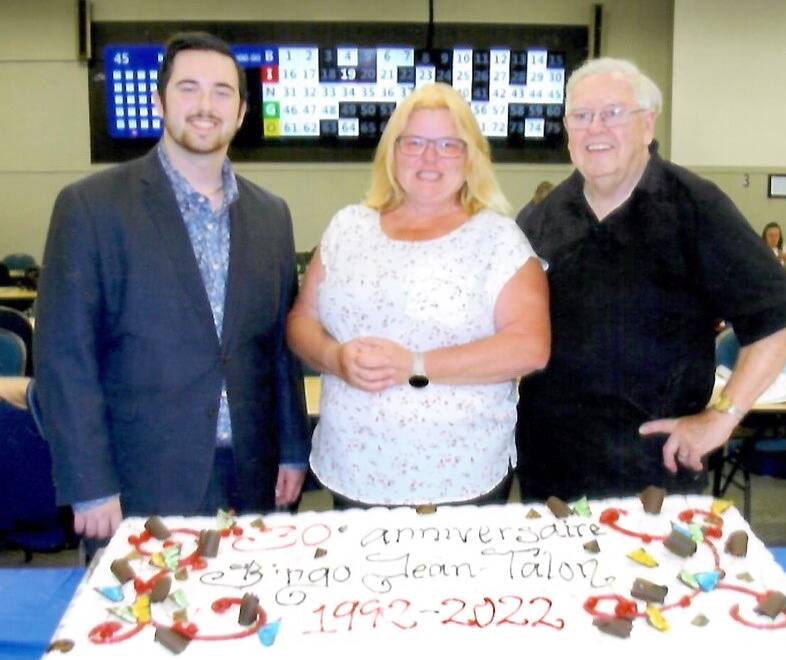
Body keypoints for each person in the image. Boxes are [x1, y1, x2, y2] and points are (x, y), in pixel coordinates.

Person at [34, 32, 310, 542]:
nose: (206, 106)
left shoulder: (272, 215)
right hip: (139, 479)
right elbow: (64, 358)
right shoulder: (91, 207)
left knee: (245, 614)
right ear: (159, 101)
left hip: (251, 474)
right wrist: (89, 483)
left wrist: (293, 448)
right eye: (188, 88)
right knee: (145, 619)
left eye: (222, 92)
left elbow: (278, 348)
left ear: (242, 112)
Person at [515, 57, 786, 502]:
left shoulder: (697, 208)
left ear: (647, 123)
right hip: (549, 472)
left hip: (655, 472)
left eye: (613, 113)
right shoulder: (541, 217)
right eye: (581, 116)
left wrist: (723, 416)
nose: (595, 128)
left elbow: (780, 319)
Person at [287, 82, 550, 508]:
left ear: (471, 158)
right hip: (353, 467)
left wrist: (414, 364)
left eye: (449, 144)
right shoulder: (347, 228)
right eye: (414, 143)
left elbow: (529, 348)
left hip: (460, 476)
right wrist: (336, 358)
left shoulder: (498, 239)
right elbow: (301, 323)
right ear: (391, 153)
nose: (430, 158)